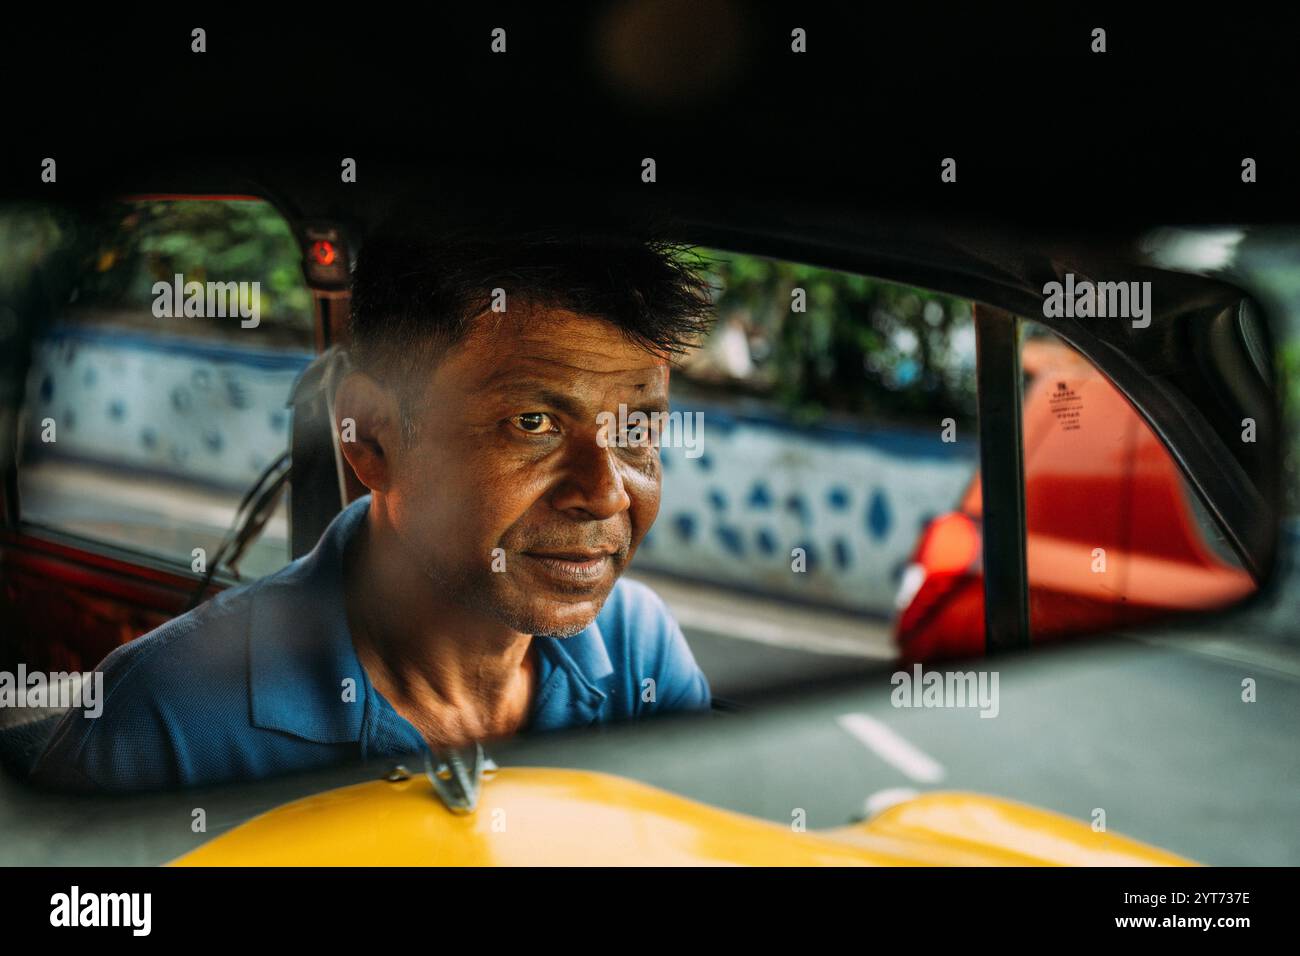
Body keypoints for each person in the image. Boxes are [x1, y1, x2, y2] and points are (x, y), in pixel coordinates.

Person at [30, 219, 717, 792]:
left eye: (636, 430)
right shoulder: (163, 721)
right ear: (372, 439)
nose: (605, 492)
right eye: (534, 422)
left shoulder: (638, 650)